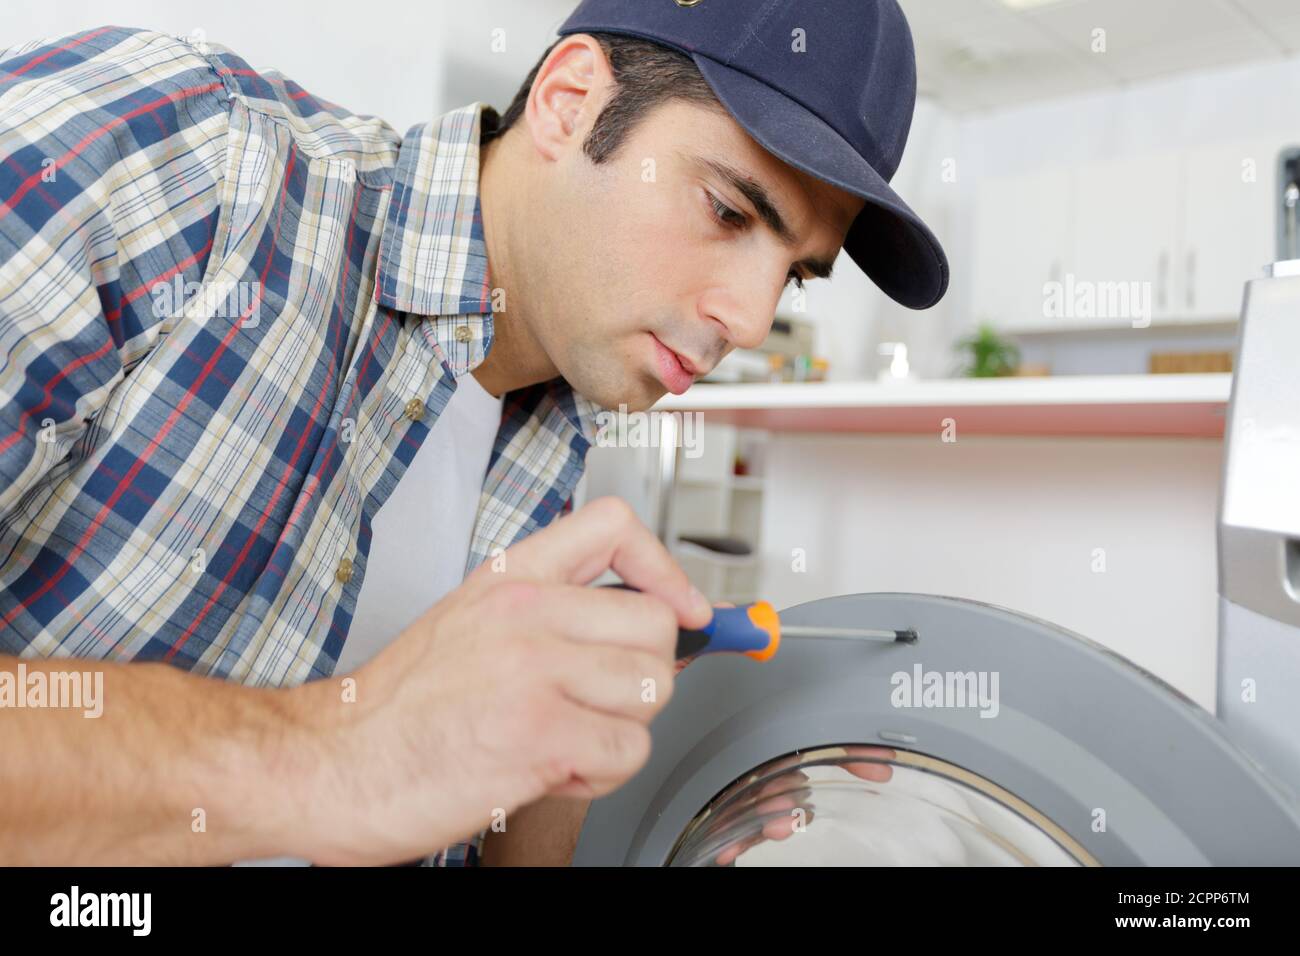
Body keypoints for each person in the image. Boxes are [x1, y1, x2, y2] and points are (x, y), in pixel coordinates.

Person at [0, 0, 947, 866]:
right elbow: (361, 765)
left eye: (794, 275)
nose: (748, 319)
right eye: (729, 210)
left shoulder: (561, 439)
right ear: (570, 102)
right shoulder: (182, 158)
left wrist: (657, 781)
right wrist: (335, 752)